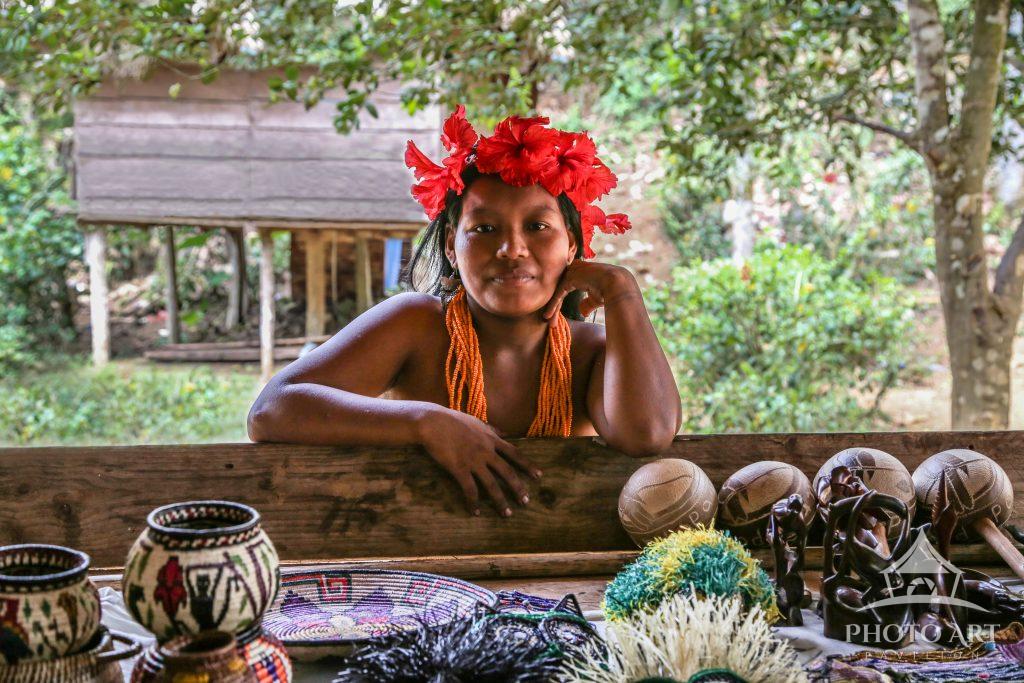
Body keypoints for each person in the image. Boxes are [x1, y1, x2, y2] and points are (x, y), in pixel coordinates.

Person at [248, 105, 681, 517]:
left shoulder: (594, 352)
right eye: (484, 229)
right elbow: (272, 410)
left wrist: (621, 289)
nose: (512, 249)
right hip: (418, 567)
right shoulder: (415, 325)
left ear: (572, 245)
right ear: (452, 245)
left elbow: (647, 435)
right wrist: (426, 421)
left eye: (538, 227)